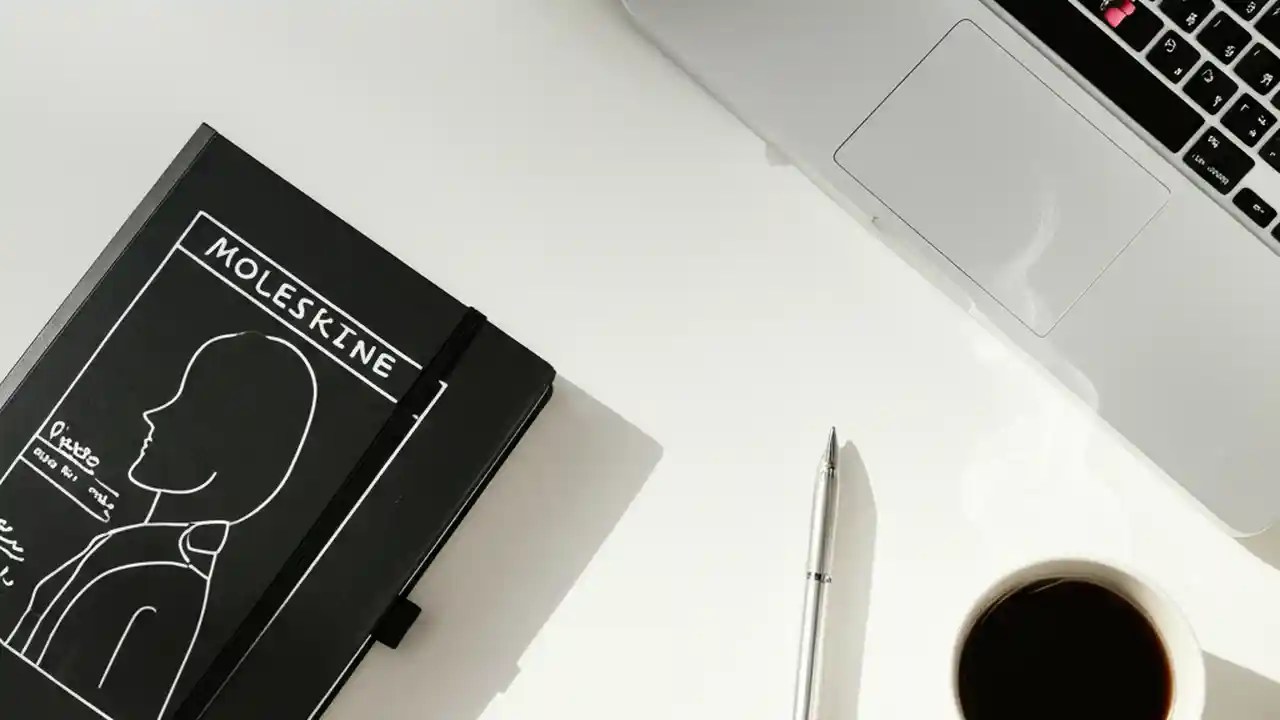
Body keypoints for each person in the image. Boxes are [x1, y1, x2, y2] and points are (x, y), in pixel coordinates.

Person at [7, 331, 315, 720]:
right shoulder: (128, 548)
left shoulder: (173, 586)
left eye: (189, 407)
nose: (155, 414)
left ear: (237, 448)